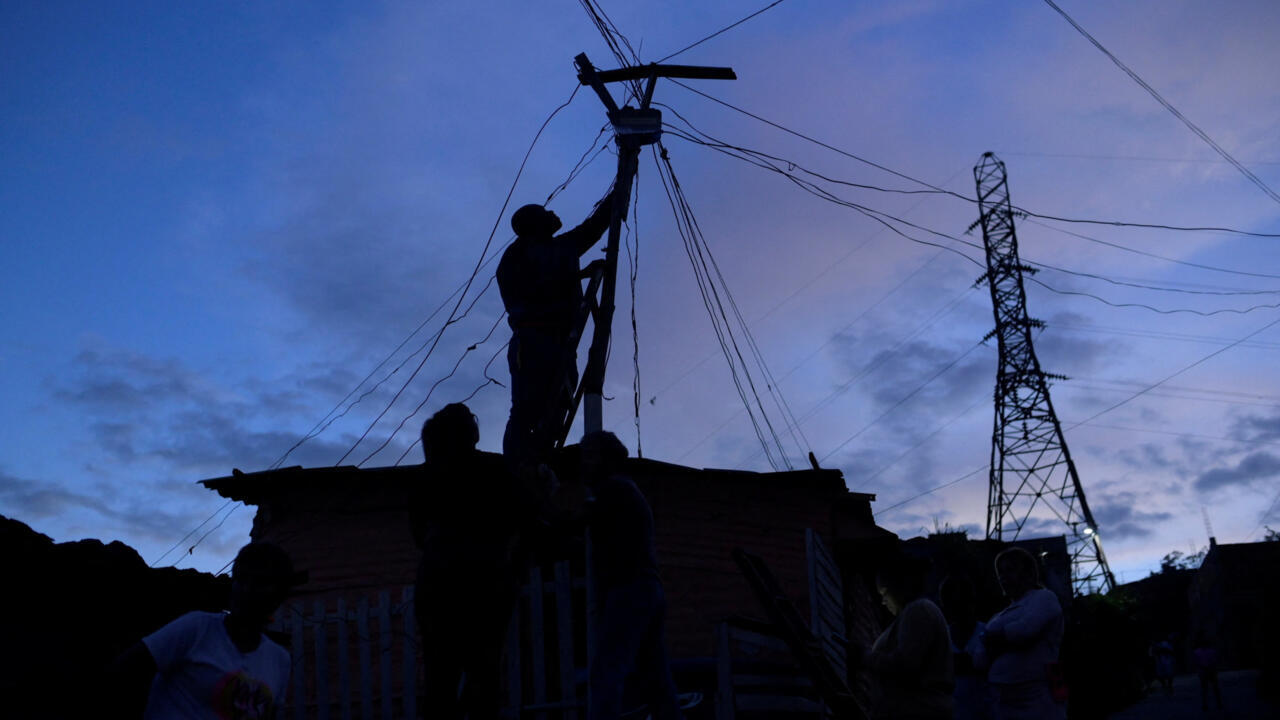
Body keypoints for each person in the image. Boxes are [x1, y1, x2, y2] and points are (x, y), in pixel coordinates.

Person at [409, 403, 537, 720]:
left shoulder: (425, 477)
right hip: (485, 586)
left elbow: (418, 534)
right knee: (484, 678)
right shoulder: (496, 470)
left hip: (438, 586)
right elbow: (527, 518)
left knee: (441, 681)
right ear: (472, 434)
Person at [496, 185, 626, 464]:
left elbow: (590, 231)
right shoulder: (527, 255)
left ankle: (539, 460)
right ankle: (520, 467)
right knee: (528, 409)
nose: (553, 214)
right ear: (532, 225)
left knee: (553, 407)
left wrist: (619, 189)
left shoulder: (548, 250)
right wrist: (578, 275)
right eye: (545, 213)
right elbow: (538, 291)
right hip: (536, 342)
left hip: (554, 342)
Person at [562, 430, 680, 720]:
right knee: (657, 681)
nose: (583, 465)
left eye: (588, 457)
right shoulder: (625, 490)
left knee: (606, 673)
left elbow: (574, 524)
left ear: (604, 459)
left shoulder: (611, 490)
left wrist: (547, 497)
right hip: (648, 590)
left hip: (629, 591)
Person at [108, 541, 297, 719]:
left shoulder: (279, 660)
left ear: (279, 595)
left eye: (259, 583)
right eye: (240, 579)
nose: (246, 590)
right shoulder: (196, 629)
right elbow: (121, 674)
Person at [850, 551, 954, 720]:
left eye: (884, 593)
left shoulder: (918, 611)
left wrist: (865, 656)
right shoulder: (914, 613)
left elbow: (904, 665)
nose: (883, 602)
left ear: (899, 586)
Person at [982, 548, 1065, 720]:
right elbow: (979, 656)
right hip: (1004, 701)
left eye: (1010, 570)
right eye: (1000, 572)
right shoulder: (999, 616)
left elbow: (1024, 631)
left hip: (1037, 698)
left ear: (1028, 573)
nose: (1003, 577)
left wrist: (994, 641)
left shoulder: (1044, 598)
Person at [940, 574, 994, 720]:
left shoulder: (989, 634)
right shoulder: (940, 638)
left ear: (972, 602)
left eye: (962, 602)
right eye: (953, 604)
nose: (958, 609)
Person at [1192, 634, 1222, 711]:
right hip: (1209, 670)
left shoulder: (1197, 652)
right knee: (1214, 688)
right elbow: (1215, 661)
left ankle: (1206, 704)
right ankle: (1218, 703)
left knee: (1205, 689)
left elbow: (1196, 662)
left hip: (1204, 671)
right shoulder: (1212, 651)